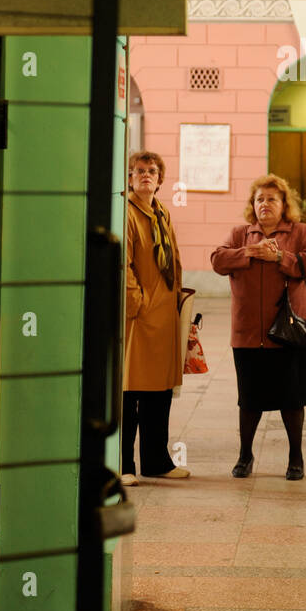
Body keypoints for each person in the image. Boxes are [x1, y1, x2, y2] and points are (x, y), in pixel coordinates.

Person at [211, 175, 306, 480]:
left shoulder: (301, 232)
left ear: (284, 205)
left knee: (292, 398)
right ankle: (245, 456)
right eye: (259, 199)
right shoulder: (240, 233)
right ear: (253, 205)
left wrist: (279, 257)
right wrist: (248, 252)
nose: (265, 204)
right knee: (249, 400)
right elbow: (217, 261)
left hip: (289, 331)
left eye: (272, 199)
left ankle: (295, 458)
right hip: (247, 333)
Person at [122, 150, 191, 484]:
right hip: (140, 316)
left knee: (160, 391)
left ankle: (156, 461)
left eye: (151, 170)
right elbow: (124, 265)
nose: (145, 175)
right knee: (130, 391)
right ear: (130, 177)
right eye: (138, 171)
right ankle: (123, 466)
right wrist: (137, 303)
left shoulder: (161, 211)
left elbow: (173, 258)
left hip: (165, 314)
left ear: (160, 178)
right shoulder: (127, 212)